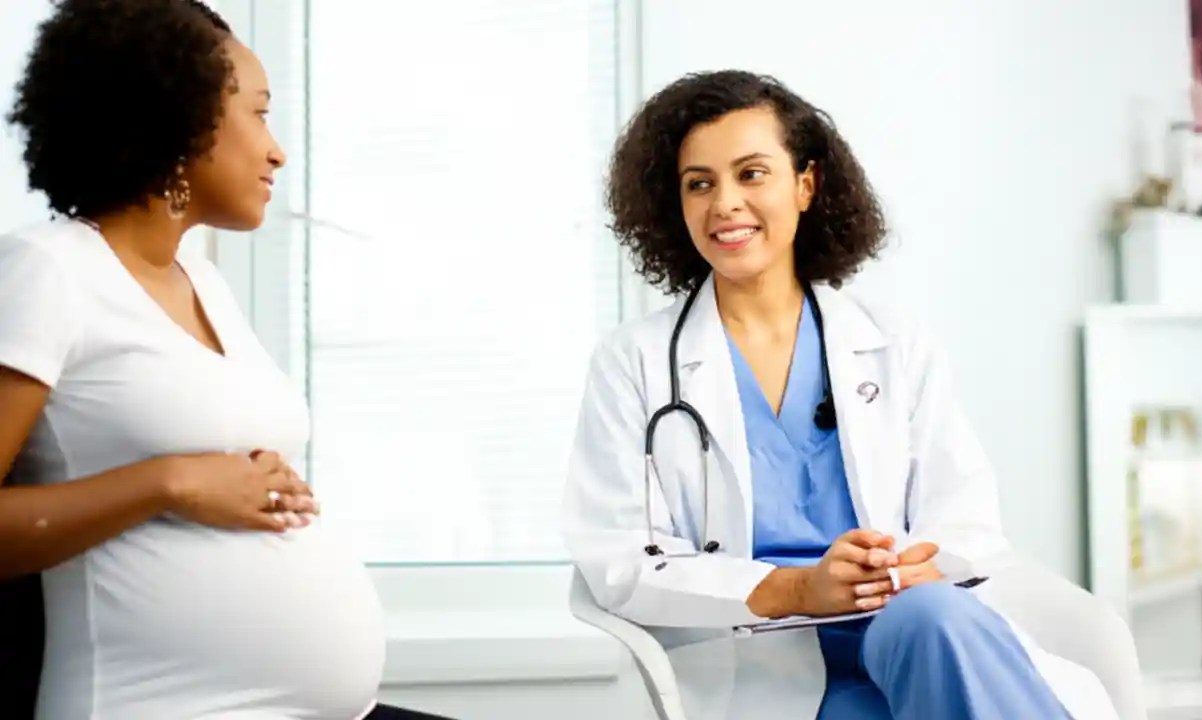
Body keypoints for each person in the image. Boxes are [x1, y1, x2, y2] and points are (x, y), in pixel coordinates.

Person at [562, 70, 1121, 719]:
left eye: (751, 173)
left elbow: (965, 518)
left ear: (805, 184)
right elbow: (620, 564)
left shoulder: (894, 343)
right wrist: (801, 586)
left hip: (914, 636)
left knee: (931, 614)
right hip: (761, 662)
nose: (724, 204)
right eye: (699, 183)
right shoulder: (633, 363)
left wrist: (904, 571)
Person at [0, 2, 450, 718]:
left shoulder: (203, 280)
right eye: (259, 114)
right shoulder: (48, 271)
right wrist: (169, 481)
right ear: (179, 121)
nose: (277, 150)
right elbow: (182, 476)